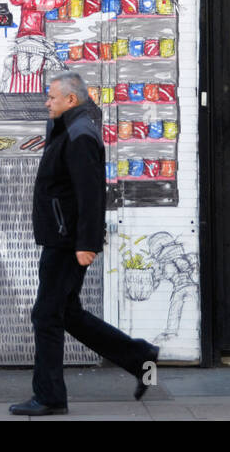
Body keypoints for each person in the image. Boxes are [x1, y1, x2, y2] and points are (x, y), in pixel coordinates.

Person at [10, 71, 161, 416]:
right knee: (68, 314)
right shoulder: (65, 128)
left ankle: (49, 397)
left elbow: (91, 195)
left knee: (46, 316)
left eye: (51, 97)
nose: (46, 102)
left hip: (68, 242)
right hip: (61, 237)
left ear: (70, 100)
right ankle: (140, 357)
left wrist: (87, 243)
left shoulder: (80, 135)